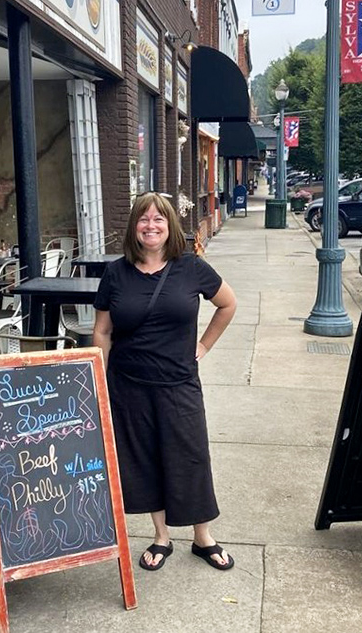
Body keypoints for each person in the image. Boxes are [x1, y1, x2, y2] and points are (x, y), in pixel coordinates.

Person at [93, 193, 237, 573]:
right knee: (144, 459)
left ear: (170, 225)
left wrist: (204, 345)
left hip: (178, 382)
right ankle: (161, 536)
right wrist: (97, 380)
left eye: (159, 219)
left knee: (190, 456)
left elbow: (228, 304)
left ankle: (202, 536)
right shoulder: (116, 273)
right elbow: (103, 331)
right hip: (128, 383)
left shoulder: (190, 267)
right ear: (134, 227)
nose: (151, 226)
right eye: (144, 219)